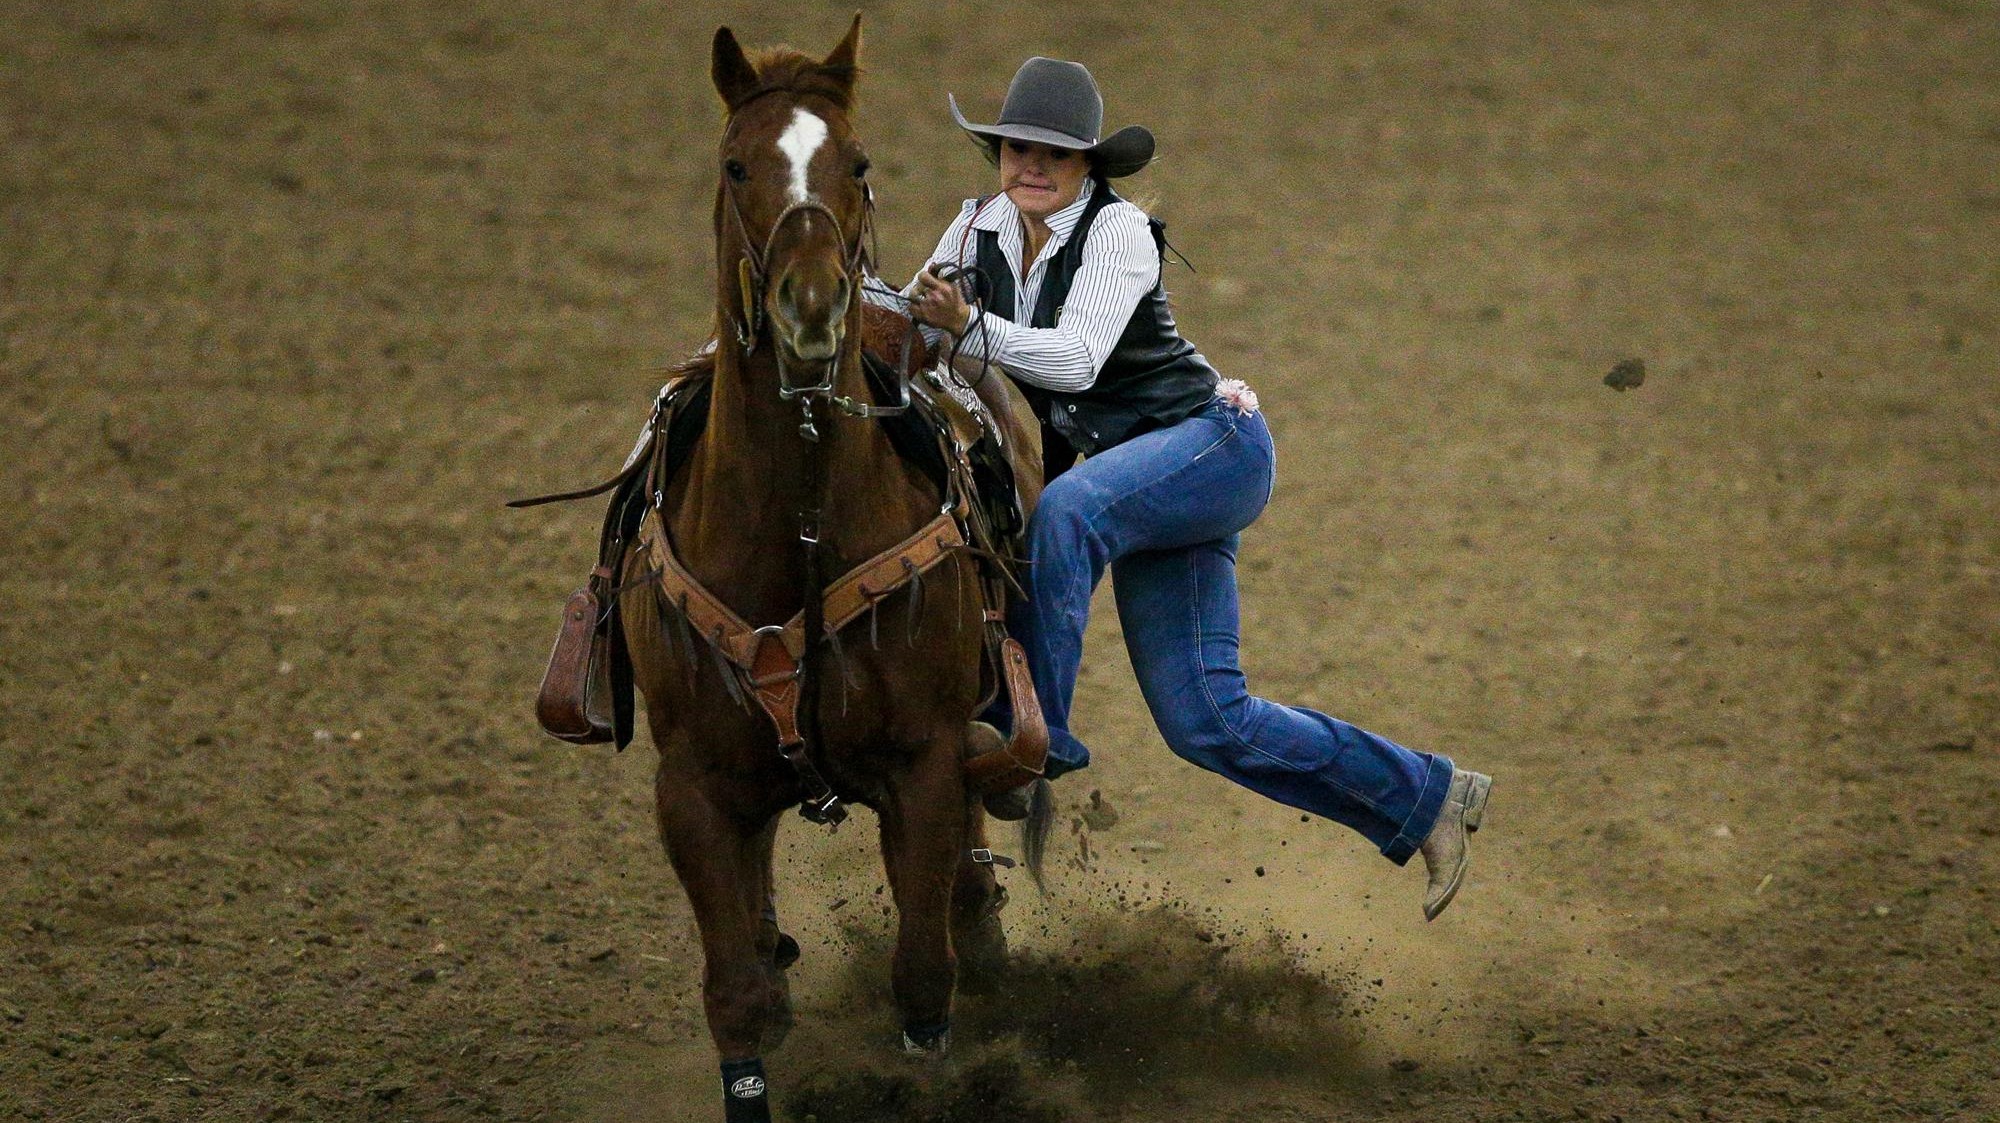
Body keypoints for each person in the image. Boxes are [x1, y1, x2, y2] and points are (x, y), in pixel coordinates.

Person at [894, 57, 1492, 920]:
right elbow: (913, 312)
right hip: (1134, 482)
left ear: (1088, 167)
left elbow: (1076, 359)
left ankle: (1031, 741)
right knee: (1209, 720)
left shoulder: (1120, 232)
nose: (1031, 164)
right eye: (1016, 147)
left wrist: (972, 328)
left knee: (1065, 508)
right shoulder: (972, 230)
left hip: (1211, 450)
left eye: (1054, 154)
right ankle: (1428, 796)